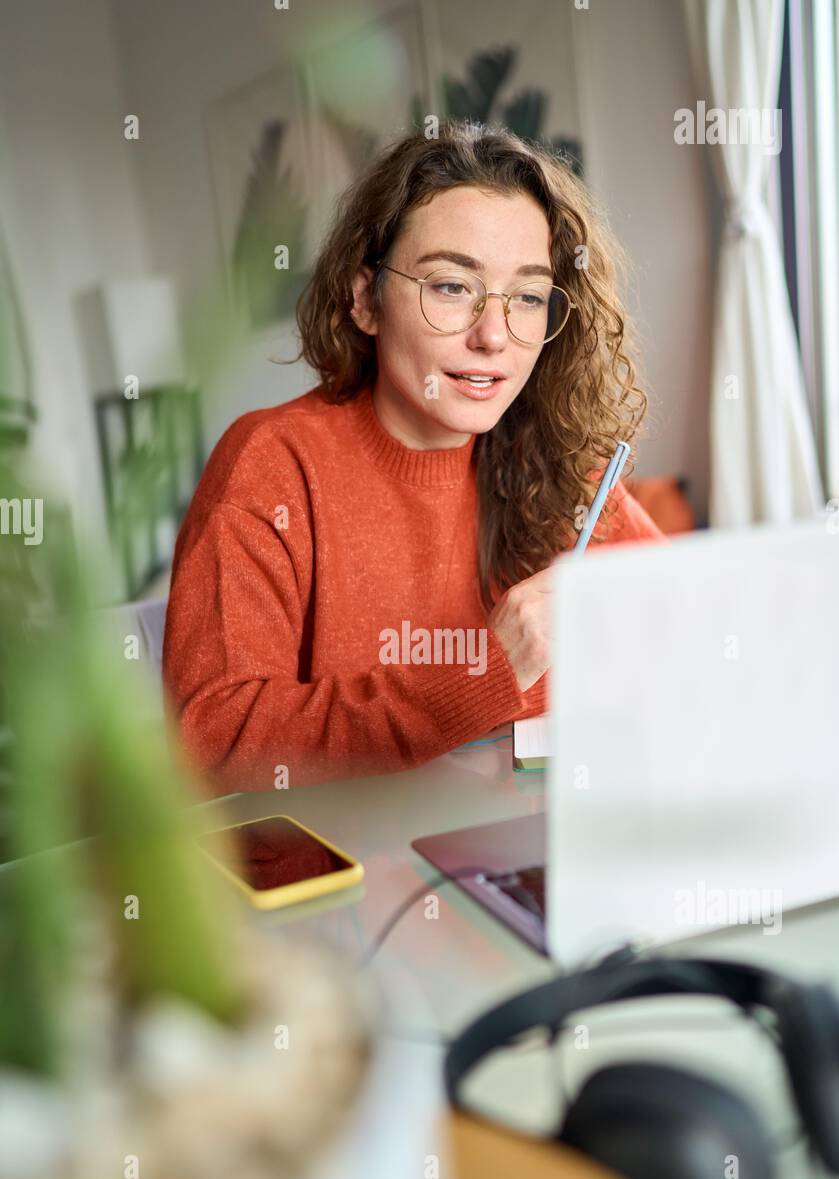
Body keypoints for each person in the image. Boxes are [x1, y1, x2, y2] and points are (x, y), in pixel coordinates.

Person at [164, 120, 664, 793]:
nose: (494, 336)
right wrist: (485, 670)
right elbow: (217, 743)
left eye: (526, 297)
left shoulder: (563, 459)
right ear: (366, 299)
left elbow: (690, 631)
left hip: (550, 857)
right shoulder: (272, 464)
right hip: (358, 878)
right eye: (451, 287)